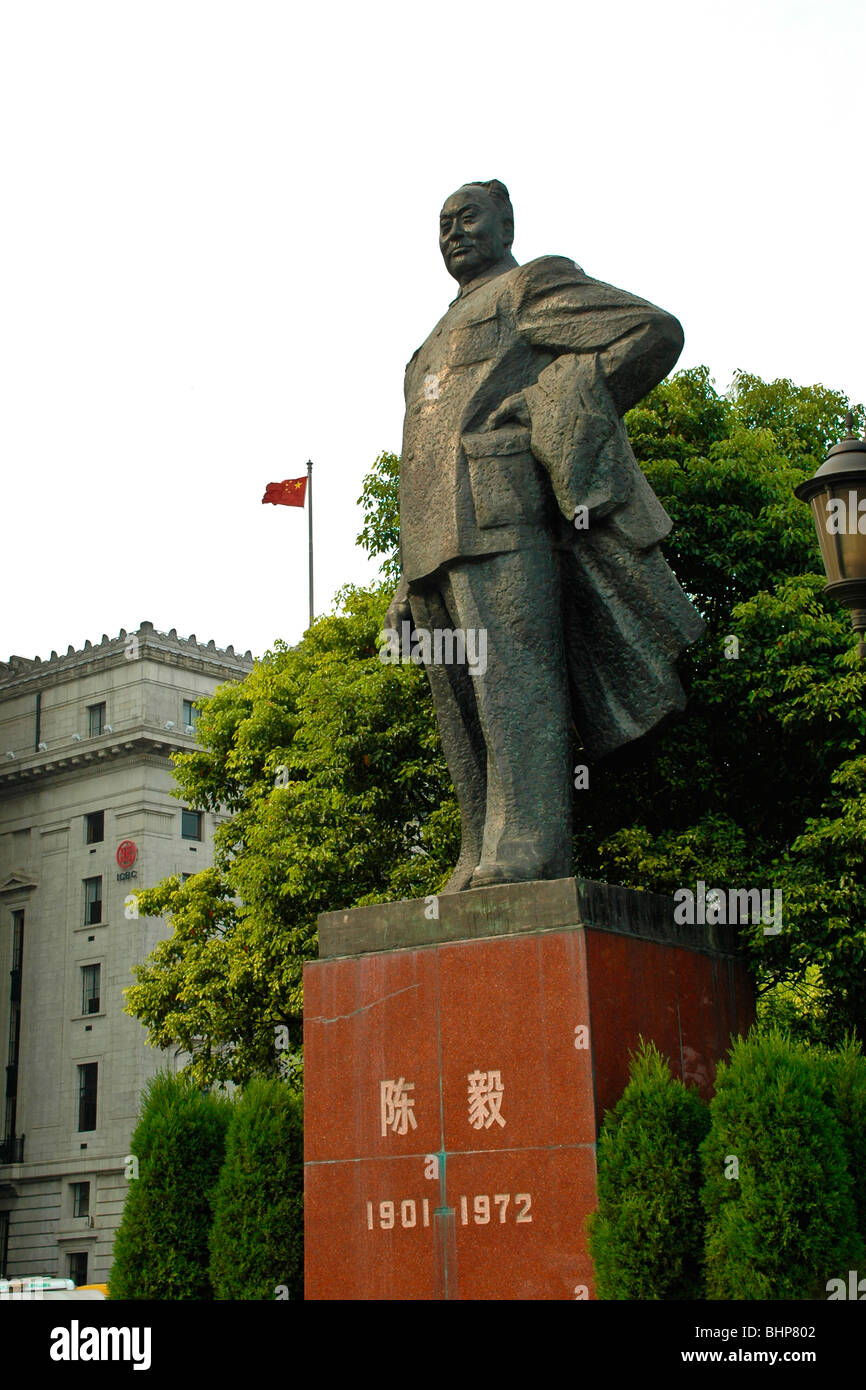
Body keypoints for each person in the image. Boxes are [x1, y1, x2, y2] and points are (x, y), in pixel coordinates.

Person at [385, 179, 703, 891]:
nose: (453, 233)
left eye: (468, 218)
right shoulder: (431, 336)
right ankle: (476, 851)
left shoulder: (530, 286)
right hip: (433, 539)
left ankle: (528, 843)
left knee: (513, 682)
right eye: (442, 224)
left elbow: (651, 332)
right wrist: (406, 577)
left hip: (503, 517)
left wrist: (539, 408)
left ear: (506, 223)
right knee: (460, 709)